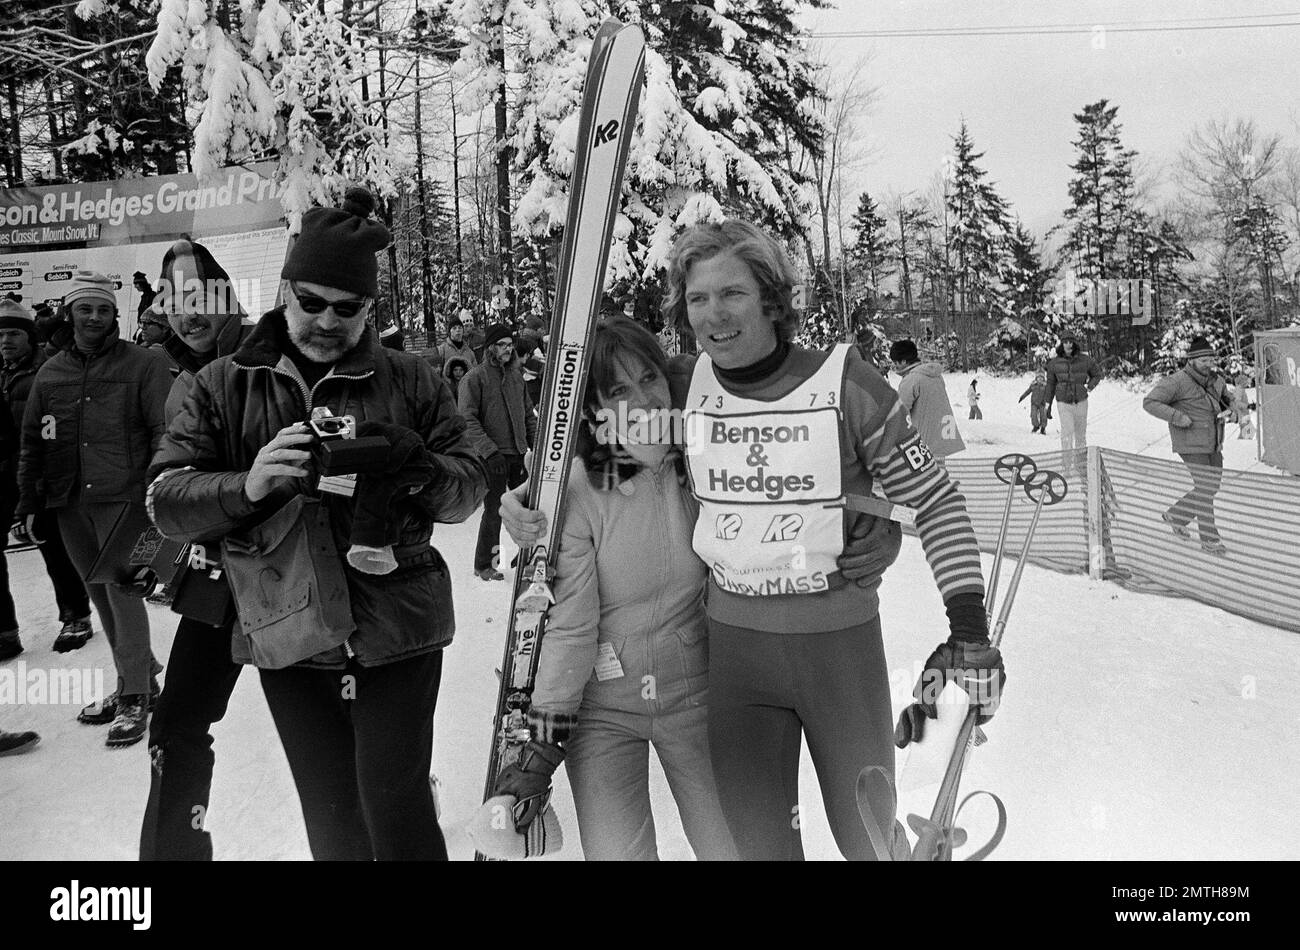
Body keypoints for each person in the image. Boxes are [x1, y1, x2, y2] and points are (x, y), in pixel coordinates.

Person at [504, 220, 1001, 862]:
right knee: (760, 848)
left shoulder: (847, 381)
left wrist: (967, 629)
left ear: (772, 296)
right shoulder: (684, 384)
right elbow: (604, 423)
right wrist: (531, 499)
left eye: (732, 293)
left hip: (836, 646)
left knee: (870, 838)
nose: (715, 315)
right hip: (735, 657)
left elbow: (933, 498)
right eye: (697, 299)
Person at [147, 187, 487, 860]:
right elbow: (164, 499)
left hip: (398, 624)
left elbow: (470, 485)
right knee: (332, 822)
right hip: (287, 625)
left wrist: (416, 468)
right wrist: (246, 484)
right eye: (311, 302)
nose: (328, 322)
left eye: (348, 308)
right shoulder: (224, 382)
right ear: (285, 289)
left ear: (369, 307)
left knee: (396, 807)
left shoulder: (410, 379)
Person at [484, 317, 737, 860]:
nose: (643, 401)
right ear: (594, 407)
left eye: (649, 378)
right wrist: (544, 741)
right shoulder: (581, 489)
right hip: (603, 707)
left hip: (695, 691)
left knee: (731, 844)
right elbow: (571, 626)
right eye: (618, 390)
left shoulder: (703, 464)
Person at [15, 271, 172, 747]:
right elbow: (32, 441)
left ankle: (135, 698)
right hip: (68, 501)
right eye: (86, 308)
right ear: (71, 312)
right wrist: (28, 499)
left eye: (104, 309)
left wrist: (156, 490)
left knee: (124, 592)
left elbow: (161, 432)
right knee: (100, 594)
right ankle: (138, 680)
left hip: (123, 498)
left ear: (114, 315)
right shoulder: (51, 371)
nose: (95, 318)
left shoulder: (143, 363)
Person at [138, 238, 254, 860]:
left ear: (228, 294)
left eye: (199, 293)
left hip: (296, 579)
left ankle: (399, 811)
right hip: (219, 583)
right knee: (177, 724)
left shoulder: (272, 353)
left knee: (346, 731)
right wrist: (153, 554)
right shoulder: (179, 377)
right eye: (174, 298)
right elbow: (172, 480)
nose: (189, 310)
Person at [0, 299, 93, 660]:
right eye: (0, 334)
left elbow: (58, 426)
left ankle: (76, 616)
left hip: (41, 474)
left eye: (13, 333)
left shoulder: (48, 371)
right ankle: (5, 630)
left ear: (29, 336)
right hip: (1, 476)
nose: (5, 340)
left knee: (52, 547)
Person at [1142, 335, 1232, 556]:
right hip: (1190, 444)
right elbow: (1150, 402)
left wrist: (1236, 406)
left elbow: (1226, 400)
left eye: (1211, 359)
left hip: (1213, 442)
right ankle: (1210, 540)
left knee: (1212, 487)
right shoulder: (1176, 381)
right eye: (1203, 361)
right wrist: (1177, 417)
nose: (1209, 364)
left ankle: (1177, 515)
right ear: (1191, 360)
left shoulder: (1216, 380)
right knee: (1205, 488)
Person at [459, 323, 535, 581]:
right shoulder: (475, 378)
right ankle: (486, 564)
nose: (508, 349)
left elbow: (528, 415)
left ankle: (528, 557)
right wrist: (489, 452)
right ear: (491, 347)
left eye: (510, 344)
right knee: (494, 512)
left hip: (519, 454)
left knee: (528, 508)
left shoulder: (516, 377)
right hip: (492, 458)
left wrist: (536, 444)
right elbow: (467, 420)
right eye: (502, 344)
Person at [889, 338, 964, 459]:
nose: (895, 366)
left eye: (896, 363)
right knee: (938, 475)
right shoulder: (935, 376)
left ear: (903, 361)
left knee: (922, 476)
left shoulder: (911, 380)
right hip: (939, 441)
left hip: (921, 445)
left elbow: (901, 413)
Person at [1043, 331, 1102, 465]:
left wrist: (1089, 386)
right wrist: (1048, 404)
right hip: (1063, 403)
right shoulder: (1054, 363)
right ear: (1062, 344)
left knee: (1080, 435)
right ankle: (1066, 465)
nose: (1068, 345)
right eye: (1065, 342)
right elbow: (1050, 385)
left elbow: (1097, 374)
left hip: (1081, 401)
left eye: (1071, 342)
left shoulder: (1085, 359)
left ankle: (1081, 466)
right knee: (1067, 433)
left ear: (1074, 343)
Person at [1018, 370, 1050, 434]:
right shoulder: (1033, 385)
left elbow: (1049, 394)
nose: (1040, 379)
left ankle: (1043, 428)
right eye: (1038, 378)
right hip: (1034, 403)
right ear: (1036, 378)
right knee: (1033, 415)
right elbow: (1028, 392)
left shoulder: (1045, 386)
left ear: (1044, 379)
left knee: (1043, 416)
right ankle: (1036, 426)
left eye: (1041, 378)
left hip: (1042, 404)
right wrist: (1022, 397)